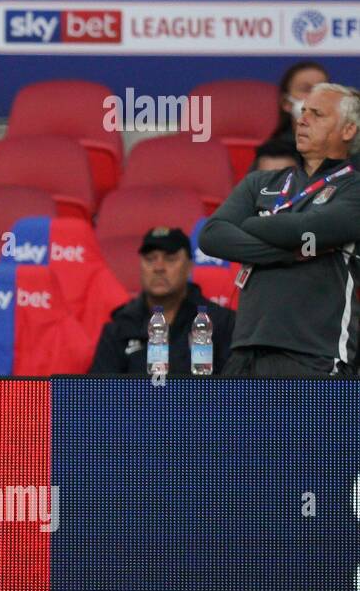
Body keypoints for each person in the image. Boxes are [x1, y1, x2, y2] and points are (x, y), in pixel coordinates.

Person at [200, 83, 360, 376]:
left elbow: (306, 230)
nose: (303, 119)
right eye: (303, 112)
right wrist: (289, 253)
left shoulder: (353, 189)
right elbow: (212, 236)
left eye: (317, 114)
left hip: (314, 356)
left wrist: (253, 222)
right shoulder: (260, 182)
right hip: (246, 350)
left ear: (347, 131)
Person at [90, 227, 234, 376]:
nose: (159, 267)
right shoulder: (119, 328)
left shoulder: (221, 323)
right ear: (140, 266)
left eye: (170, 258)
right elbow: (100, 394)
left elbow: (236, 390)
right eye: (150, 259)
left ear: (189, 267)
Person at [265, 61, 328, 150]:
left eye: (323, 89)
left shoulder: (345, 148)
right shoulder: (274, 152)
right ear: (286, 103)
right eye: (306, 89)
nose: (316, 95)